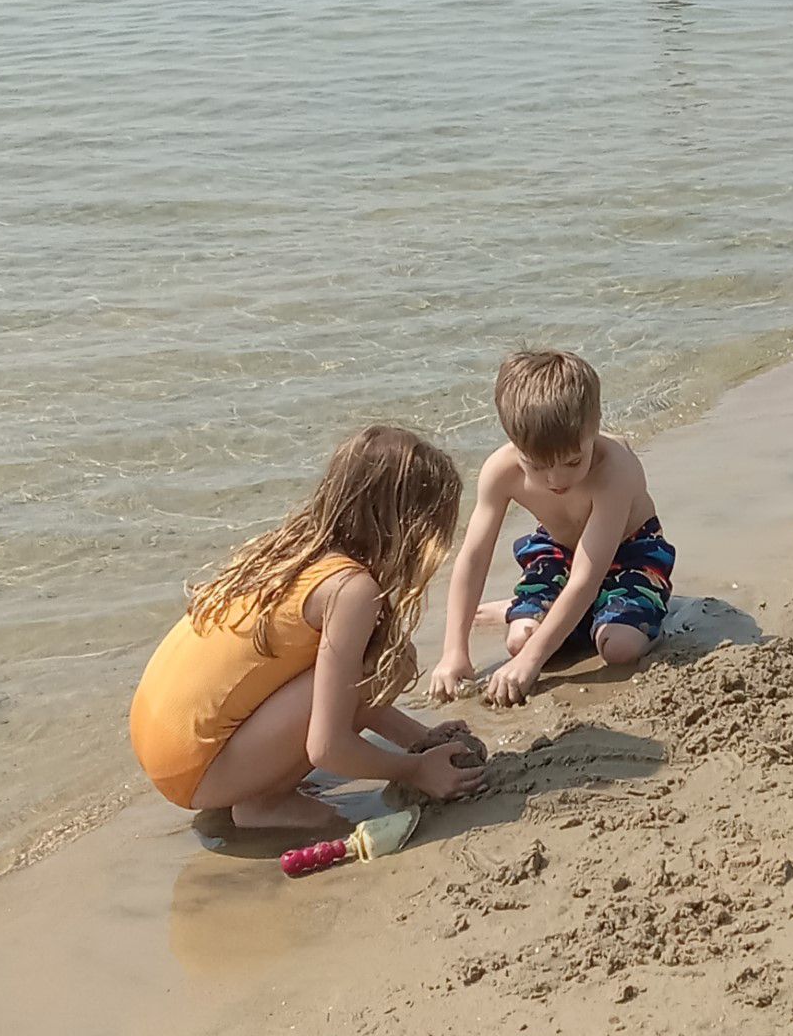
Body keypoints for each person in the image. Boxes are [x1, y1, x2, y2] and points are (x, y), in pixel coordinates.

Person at [129, 426, 484, 828]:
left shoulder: (298, 548)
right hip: (194, 768)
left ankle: (255, 779)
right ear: (410, 529)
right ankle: (264, 802)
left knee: (375, 663)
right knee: (384, 665)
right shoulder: (352, 591)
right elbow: (327, 748)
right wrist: (415, 770)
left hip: (162, 744)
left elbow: (340, 689)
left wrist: (419, 741)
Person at [429, 352, 676, 708]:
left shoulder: (614, 470)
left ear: (594, 428)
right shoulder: (501, 471)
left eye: (574, 461)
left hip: (631, 550)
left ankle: (632, 612)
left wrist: (530, 665)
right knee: (518, 642)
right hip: (559, 549)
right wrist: (454, 652)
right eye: (538, 465)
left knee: (620, 647)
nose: (557, 479)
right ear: (513, 442)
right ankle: (547, 611)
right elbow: (473, 557)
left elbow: (585, 579)